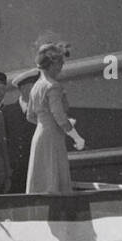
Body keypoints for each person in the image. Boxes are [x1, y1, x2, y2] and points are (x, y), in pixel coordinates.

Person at [26, 43, 84, 195]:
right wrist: (77, 138)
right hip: (52, 138)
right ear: (52, 64)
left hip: (39, 136)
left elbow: (30, 116)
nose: (61, 68)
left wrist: (46, 123)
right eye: (60, 64)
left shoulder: (35, 87)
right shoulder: (53, 86)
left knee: (41, 183)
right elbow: (59, 117)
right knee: (53, 183)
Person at [2, 69, 39, 193]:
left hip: (35, 170)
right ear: (23, 88)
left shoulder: (42, 111)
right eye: (34, 87)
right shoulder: (6, 112)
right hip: (13, 173)